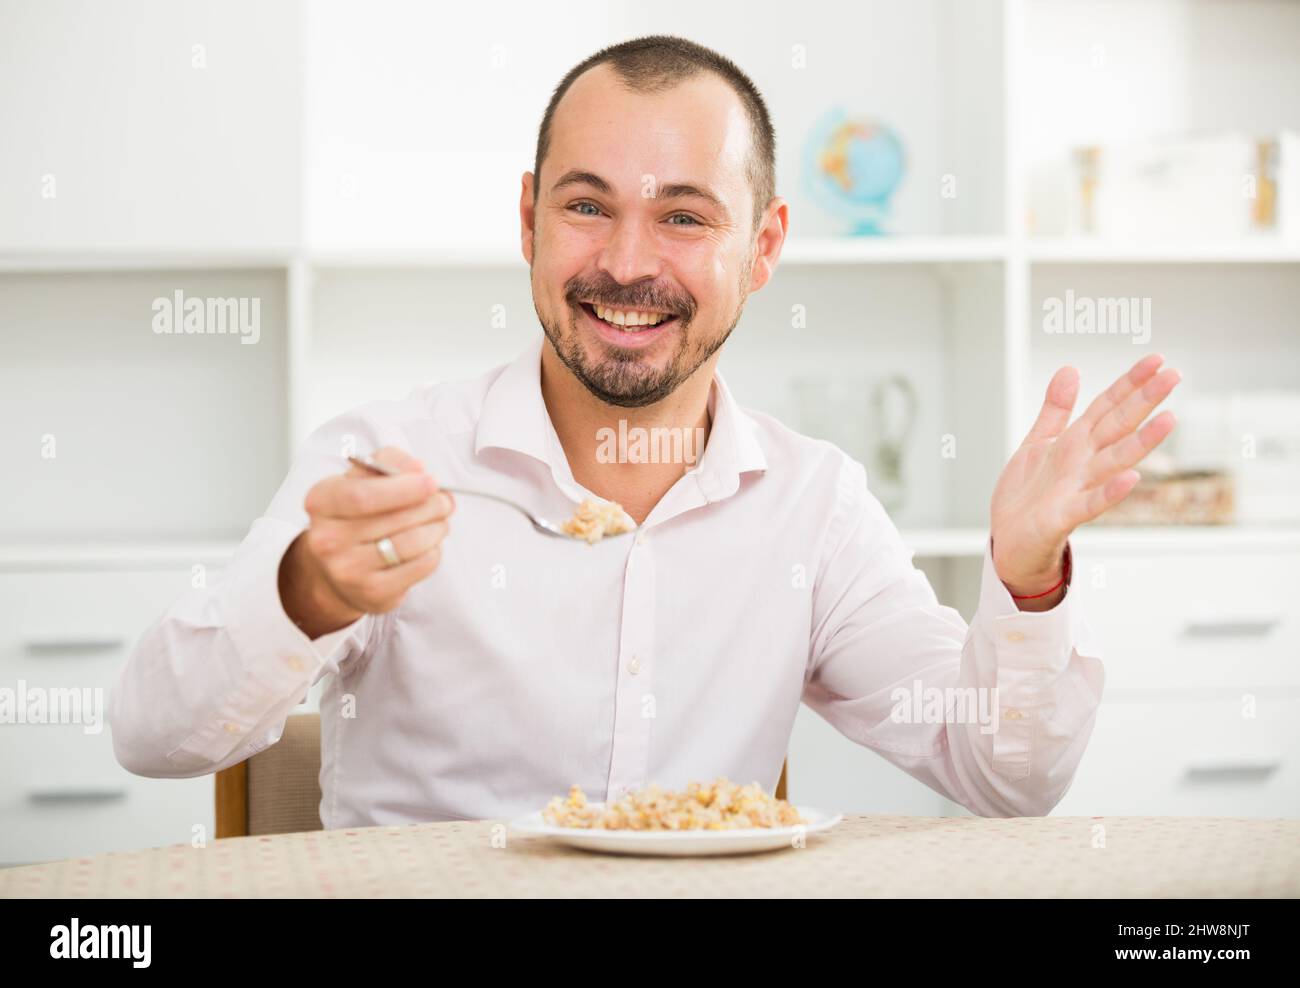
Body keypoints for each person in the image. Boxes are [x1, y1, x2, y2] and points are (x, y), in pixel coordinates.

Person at [109, 35, 1179, 825]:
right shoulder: (392, 463)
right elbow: (152, 733)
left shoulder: (812, 508)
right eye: (586, 206)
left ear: (762, 248)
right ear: (526, 221)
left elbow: (1006, 774)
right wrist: (307, 591)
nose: (627, 263)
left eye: (684, 215)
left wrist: (1027, 576)